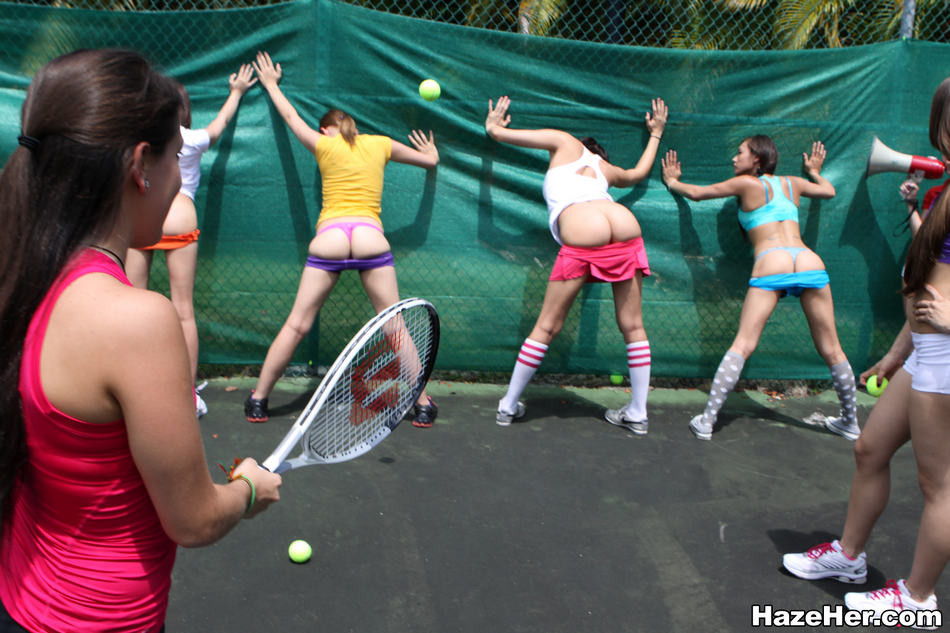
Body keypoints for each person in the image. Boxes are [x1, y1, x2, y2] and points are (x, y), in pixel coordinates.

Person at [0, 49, 281, 633]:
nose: (181, 175)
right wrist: (250, 488)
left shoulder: (20, 269)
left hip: (17, 595)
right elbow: (195, 520)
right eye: (177, 155)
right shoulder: (137, 321)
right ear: (140, 166)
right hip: (95, 619)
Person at [785, 78, 950, 624]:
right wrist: (897, 354)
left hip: (948, 360)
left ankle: (917, 600)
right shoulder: (945, 191)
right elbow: (927, 289)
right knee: (869, 450)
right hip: (925, 355)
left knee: (940, 487)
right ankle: (849, 559)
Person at [244, 51, 440, 426]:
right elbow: (428, 162)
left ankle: (258, 400)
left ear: (325, 131)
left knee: (297, 325)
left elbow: (289, 117)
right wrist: (430, 155)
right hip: (370, 239)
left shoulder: (323, 145)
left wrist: (270, 84)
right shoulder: (380, 143)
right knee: (394, 326)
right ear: (353, 126)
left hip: (331, 239)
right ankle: (424, 404)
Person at [485, 95, 668, 434]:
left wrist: (494, 125)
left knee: (546, 327)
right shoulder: (606, 169)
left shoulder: (564, 141)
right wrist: (656, 133)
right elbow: (638, 174)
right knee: (633, 325)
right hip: (625, 227)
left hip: (584, 234)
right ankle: (638, 413)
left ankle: (508, 406)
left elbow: (499, 135)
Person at [661, 137, 859, 441]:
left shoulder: (746, 185)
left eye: (740, 152)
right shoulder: (792, 183)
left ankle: (707, 421)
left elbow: (698, 194)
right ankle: (850, 422)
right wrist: (815, 172)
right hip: (808, 260)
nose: (734, 158)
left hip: (772, 261)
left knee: (742, 344)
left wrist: (673, 181)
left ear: (757, 158)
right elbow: (829, 191)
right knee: (832, 349)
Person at [125, 64, 257, 419]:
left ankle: (132, 387)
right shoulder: (194, 138)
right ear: (184, 110)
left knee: (130, 304)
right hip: (181, 214)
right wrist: (237, 91)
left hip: (143, 212)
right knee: (183, 310)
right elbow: (220, 125)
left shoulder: (141, 139)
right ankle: (187, 393)